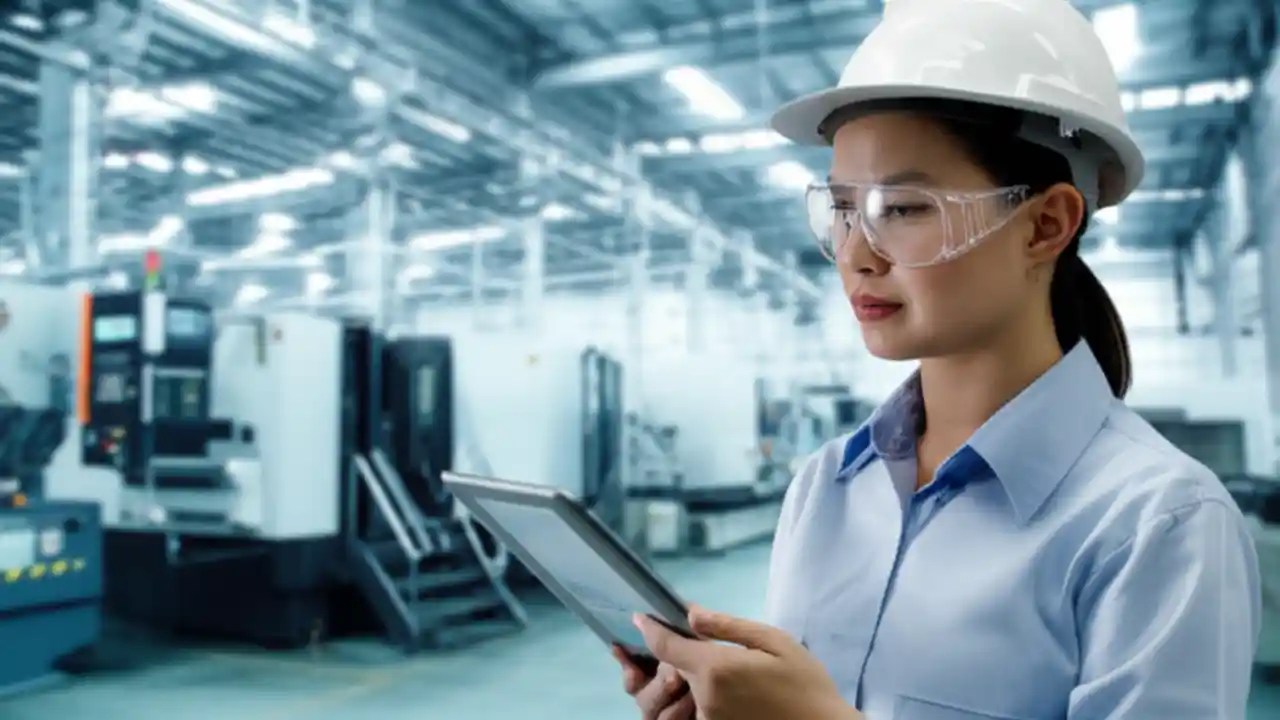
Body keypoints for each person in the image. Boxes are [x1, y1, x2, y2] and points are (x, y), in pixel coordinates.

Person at [612, 0, 1262, 718]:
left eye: (905, 207)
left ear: (1046, 224)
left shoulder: (1156, 524)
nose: (857, 255)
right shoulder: (825, 488)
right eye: (843, 208)